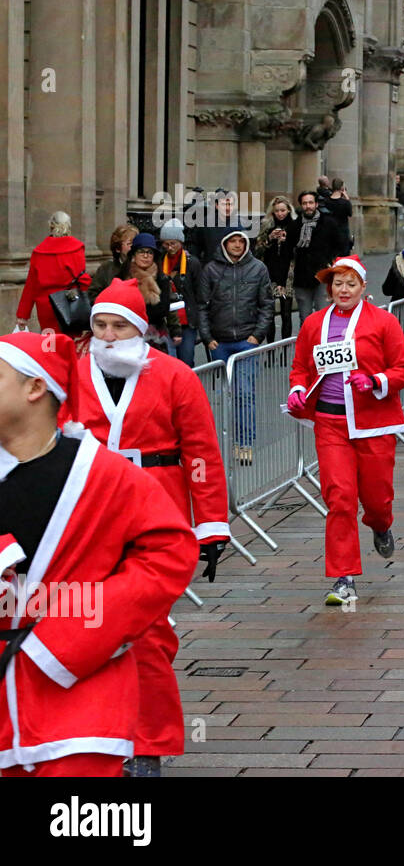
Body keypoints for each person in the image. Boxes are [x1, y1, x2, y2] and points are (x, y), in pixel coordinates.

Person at [0, 331, 195, 777]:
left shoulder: (102, 474)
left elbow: (169, 550)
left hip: (77, 696)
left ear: (35, 388)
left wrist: (79, 630)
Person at [76, 280, 230, 776]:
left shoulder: (174, 376)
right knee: (90, 631)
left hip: (155, 515)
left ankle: (149, 745)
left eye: (119, 325)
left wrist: (209, 525)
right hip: (87, 518)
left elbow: (202, 454)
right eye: (100, 325)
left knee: (147, 633)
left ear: (140, 330)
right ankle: (98, 737)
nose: (107, 334)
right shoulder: (73, 375)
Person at [287, 256, 404, 606]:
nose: (343, 290)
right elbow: (300, 367)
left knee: (376, 497)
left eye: (350, 284)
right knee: (339, 497)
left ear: (363, 288)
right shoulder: (314, 324)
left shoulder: (383, 322)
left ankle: (381, 523)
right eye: (337, 284)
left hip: (373, 422)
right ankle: (343, 578)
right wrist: (297, 391)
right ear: (330, 289)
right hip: (330, 423)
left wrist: (376, 381)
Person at [195, 228, 273, 462]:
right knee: (225, 397)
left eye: (241, 241)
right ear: (225, 244)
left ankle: (245, 443)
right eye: (233, 241)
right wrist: (208, 338)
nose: (237, 245)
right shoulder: (211, 269)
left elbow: (266, 304)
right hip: (219, 342)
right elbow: (202, 306)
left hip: (246, 341)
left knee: (245, 395)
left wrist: (257, 336)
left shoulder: (258, 268)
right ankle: (224, 443)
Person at [16, 211, 91, 336]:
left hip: (46, 306)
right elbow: (81, 279)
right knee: (70, 344)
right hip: (70, 303)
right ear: (68, 226)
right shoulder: (76, 248)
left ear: (50, 227)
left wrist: (23, 315)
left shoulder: (39, 251)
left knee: (50, 345)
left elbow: (31, 285)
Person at [119, 233, 182, 354]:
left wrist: (175, 330)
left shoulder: (162, 279)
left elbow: (164, 309)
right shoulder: (123, 276)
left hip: (156, 336)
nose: (145, 256)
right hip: (128, 335)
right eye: (141, 251)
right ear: (134, 255)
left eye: (150, 252)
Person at [293, 190, 349, 322]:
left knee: (324, 316)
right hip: (302, 277)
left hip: (323, 274)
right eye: (305, 203)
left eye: (311, 203)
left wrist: (333, 262)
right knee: (305, 318)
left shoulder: (328, 223)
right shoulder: (295, 226)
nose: (308, 206)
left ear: (316, 204)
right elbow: (287, 250)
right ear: (301, 205)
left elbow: (342, 244)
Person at [158, 219, 202, 366]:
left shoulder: (192, 263)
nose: (169, 247)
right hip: (166, 320)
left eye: (173, 243)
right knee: (169, 362)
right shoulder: (159, 261)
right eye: (166, 243)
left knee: (186, 359)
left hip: (187, 320)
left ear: (181, 242)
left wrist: (199, 319)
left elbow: (199, 292)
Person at [255, 196, 299, 343]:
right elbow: (257, 250)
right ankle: (271, 346)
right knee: (270, 314)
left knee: (286, 314)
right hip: (270, 273)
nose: (280, 214)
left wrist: (289, 240)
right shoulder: (267, 226)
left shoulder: (295, 226)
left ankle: (284, 347)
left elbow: (301, 249)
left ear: (288, 210)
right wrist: (270, 239)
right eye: (277, 211)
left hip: (288, 274)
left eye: (283, 210)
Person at [89, 224, 139, 302]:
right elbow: (92, 295)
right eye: (129, 244)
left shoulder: (143, 266)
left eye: (136, 244)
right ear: (118, 248)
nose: (134, 247)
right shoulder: (106, 268)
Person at [328, 178, 354, 252]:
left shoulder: (326, 201)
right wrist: (347, 198)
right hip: (343, 232)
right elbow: (350, 213)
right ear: (342, 188)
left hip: (330, 232)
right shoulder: (345, 203)